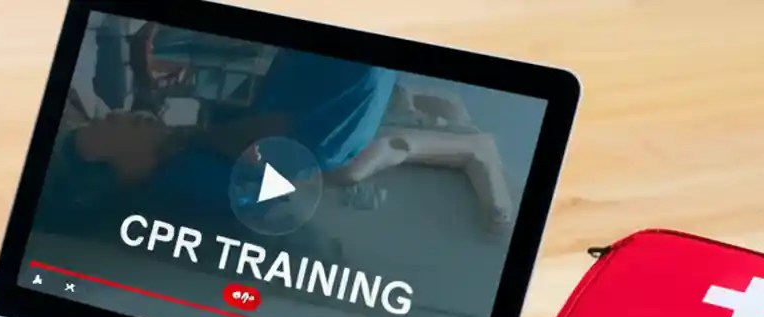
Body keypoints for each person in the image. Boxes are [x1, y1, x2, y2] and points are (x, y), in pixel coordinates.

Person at [52, 41, 515, 229]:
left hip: (315, 104)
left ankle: (455, 132)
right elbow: (284, 168)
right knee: (348, 165)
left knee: (425, 111)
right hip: (318, 133)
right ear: (124, 172)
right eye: (105, 128)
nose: (113, 116)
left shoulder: (173, 157)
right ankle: (476, 151)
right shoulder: (183, 181)